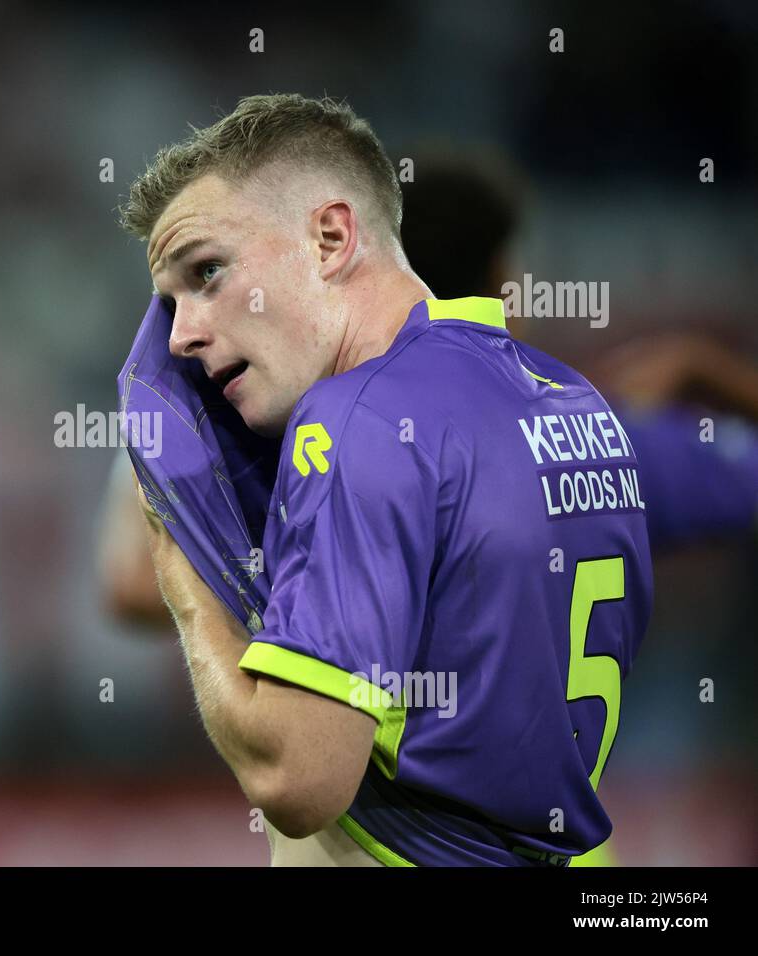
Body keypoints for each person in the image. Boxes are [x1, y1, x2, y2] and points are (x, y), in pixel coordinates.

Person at [110, 92, 653, 866]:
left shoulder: (356, 420)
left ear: (330, 238)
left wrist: (182, 576)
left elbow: (298, 778)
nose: (184, 333)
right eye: (171, 302)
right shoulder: (575, 402)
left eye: (208, 272)